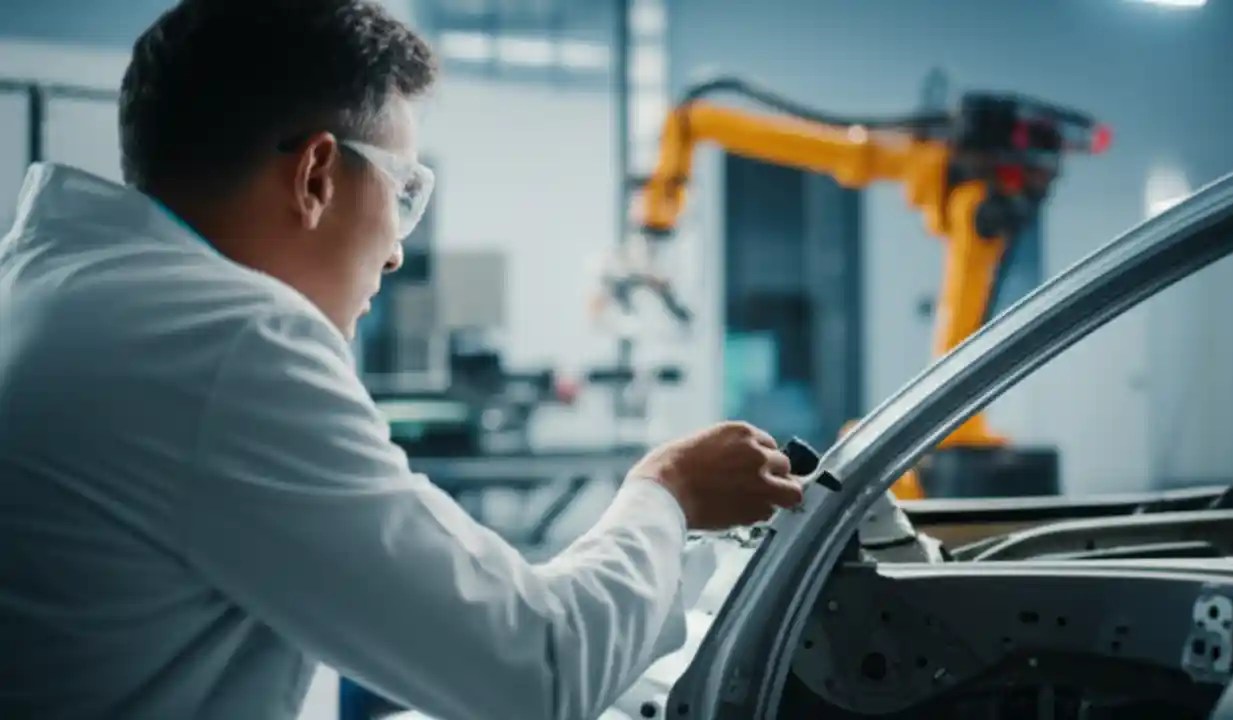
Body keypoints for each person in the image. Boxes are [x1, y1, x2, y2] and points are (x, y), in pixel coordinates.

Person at [0, 1, 804, 718]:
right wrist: (666, 495)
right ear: (316, 174)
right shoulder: (231, 342)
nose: (393, 255)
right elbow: (538, 672)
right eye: (405, 192)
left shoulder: (49, 286)